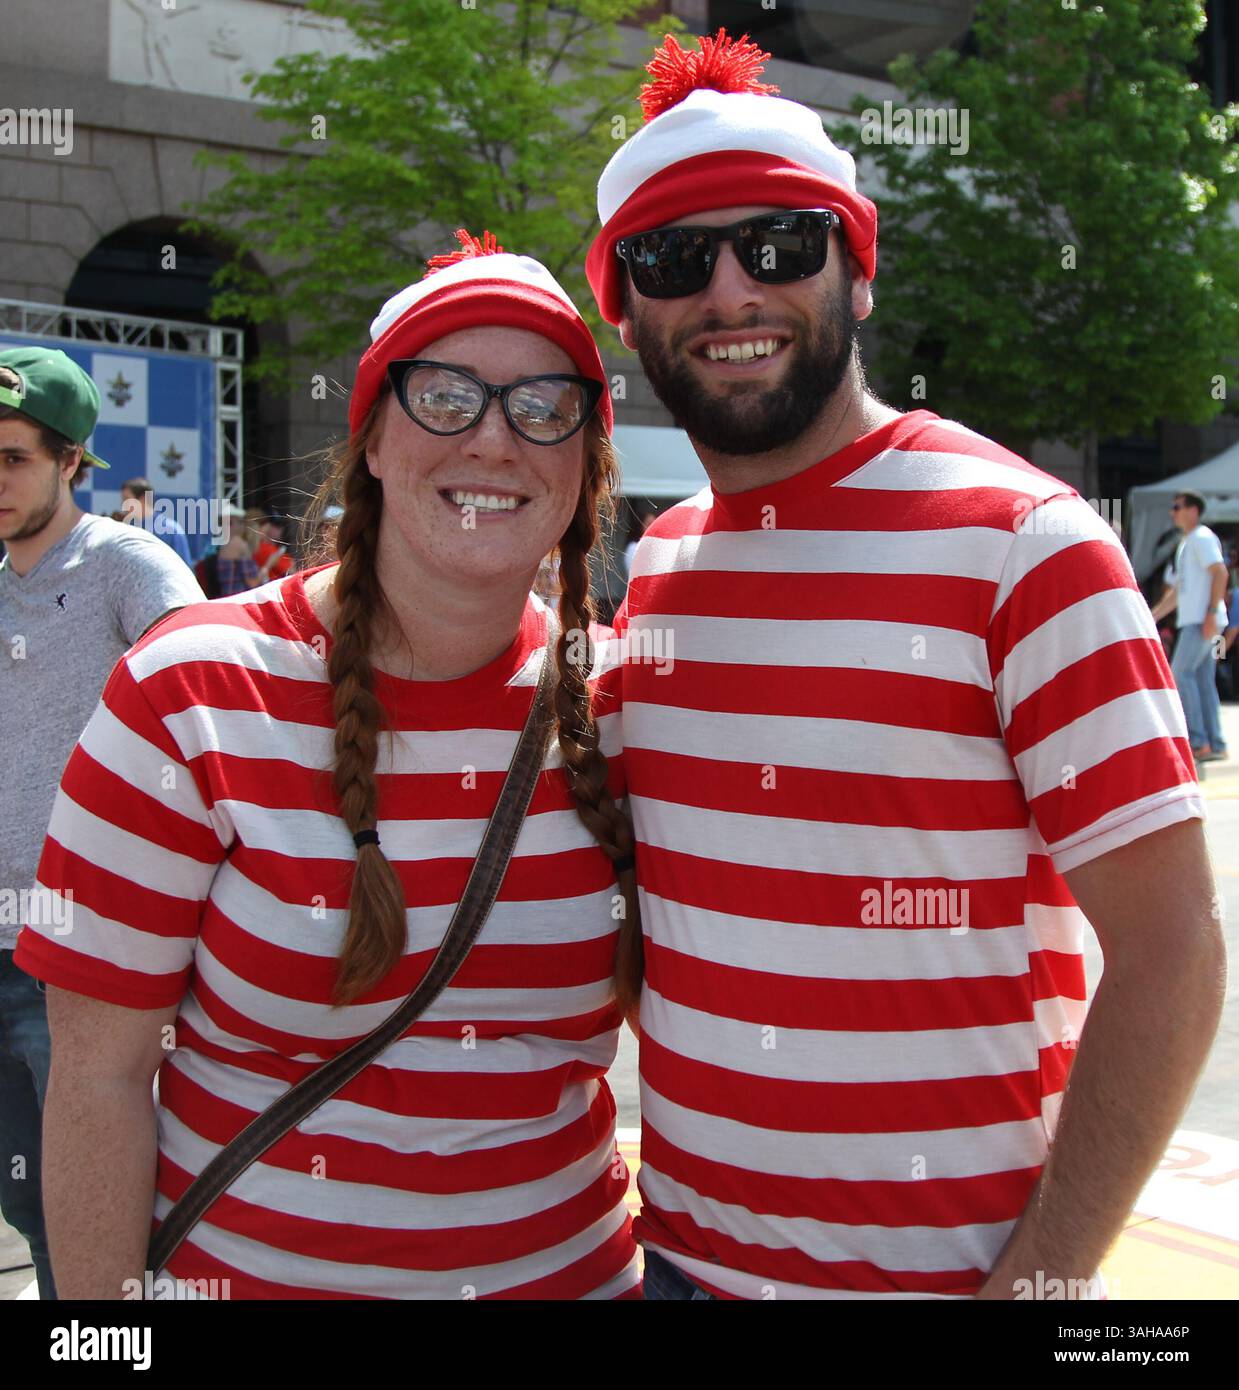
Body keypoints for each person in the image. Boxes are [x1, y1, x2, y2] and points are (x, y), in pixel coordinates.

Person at [587, 30, 1226, 1300]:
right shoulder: (655, 565)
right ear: (625, 308)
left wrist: (1042, 1283)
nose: (729, 293)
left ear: (856, 272)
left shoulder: (1027, 548)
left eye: (777, 245)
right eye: (672, 258)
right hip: (679, 1272)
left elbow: (1173, 958)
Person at [17, 233, 642, 1299]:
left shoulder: (624, 703)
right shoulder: (192, 691)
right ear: (373, 442)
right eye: (445, 396)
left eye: (544, 406)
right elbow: (96, 1079)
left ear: (583, 464)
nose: (495, 439)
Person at [0, 346, 204, 1299]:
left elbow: (214, 709)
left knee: (99, 1209)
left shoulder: (129, 564)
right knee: (30, 1201)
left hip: (94, 950)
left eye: (14, 459)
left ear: (72, 461)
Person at [1150, 491, 1229, 762]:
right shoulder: (1189, 542)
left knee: (1181, 674)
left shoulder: (1201, 537)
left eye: (1177, 507)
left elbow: (1220, 572)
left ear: (1193, 510)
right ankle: (1214, 743)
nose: (1173, 512)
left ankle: (1199, 741)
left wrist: (1210, 612)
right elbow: (1180, 589)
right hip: (1202, 618)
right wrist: (1154, 614)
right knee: (1202, 680)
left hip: (1201, 619)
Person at [120, 476, 194, 567]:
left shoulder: (171, 530)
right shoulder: (125, 530)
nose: (123, 505)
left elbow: (185, 569)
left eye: (127, 499)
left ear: (143, 498)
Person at [194, 504, 262, 598]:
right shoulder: (239, 544)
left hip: (225, 599)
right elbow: (252, 583)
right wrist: (268, 567)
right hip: (238, 600)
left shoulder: (221, 546)